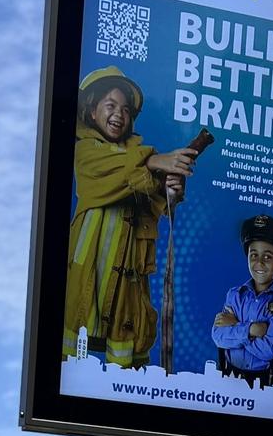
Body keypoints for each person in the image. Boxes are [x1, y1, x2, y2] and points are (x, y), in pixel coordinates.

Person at [64, 68, 197, 370]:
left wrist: (169, 192)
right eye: (110, 105)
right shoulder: (85, 151)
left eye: (125, 108)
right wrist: (155, 160)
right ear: (92, 109)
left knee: (128, 350)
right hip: (88, 276)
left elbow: (150, 207)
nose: (119, 114)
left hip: (129, 281)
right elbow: (117, 169)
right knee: (72, 352)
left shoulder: (140, 166)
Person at [212, 214, 273, 387]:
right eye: (253, 255)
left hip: (261, 383)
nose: (259, 263)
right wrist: (252, 330)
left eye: (268, 257)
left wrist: (236, 326)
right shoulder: (235, 295)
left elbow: (268, 350)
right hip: (227, 377)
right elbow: (219, 337)